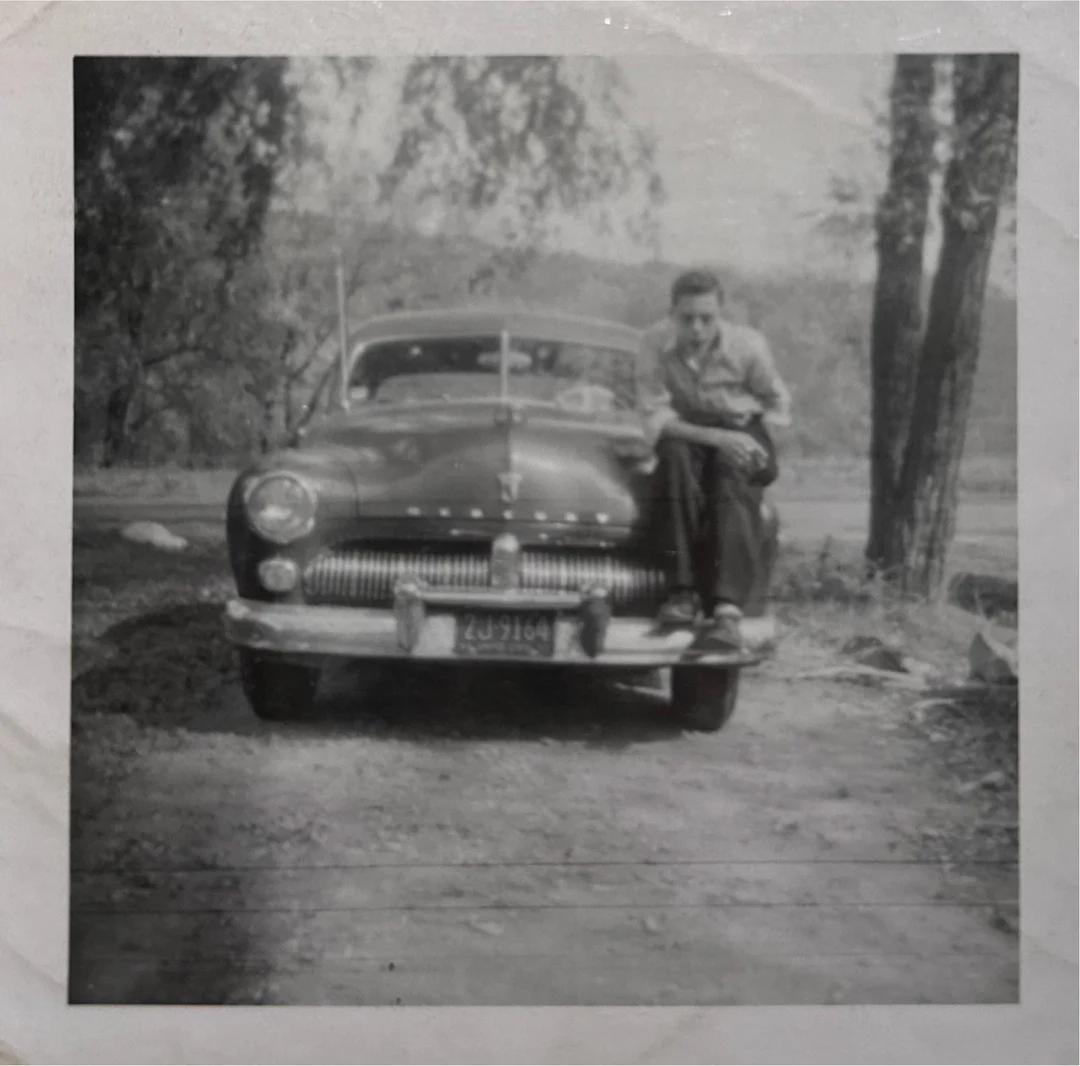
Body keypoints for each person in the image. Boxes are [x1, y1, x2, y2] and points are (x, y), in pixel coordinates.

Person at [638, 269, 792, 650]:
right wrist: (717, 438)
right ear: (671, 313)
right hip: (689, 432)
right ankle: (681, 592)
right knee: (671, 463)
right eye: (686, 318)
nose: (696, 329)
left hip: (742, 427)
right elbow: (655, 417)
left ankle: (727, 611)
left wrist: (756, 442)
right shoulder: (653, 343)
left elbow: (778, 404)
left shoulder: (749, 346)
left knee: (732, 474)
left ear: (721, 313)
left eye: (706, 318)